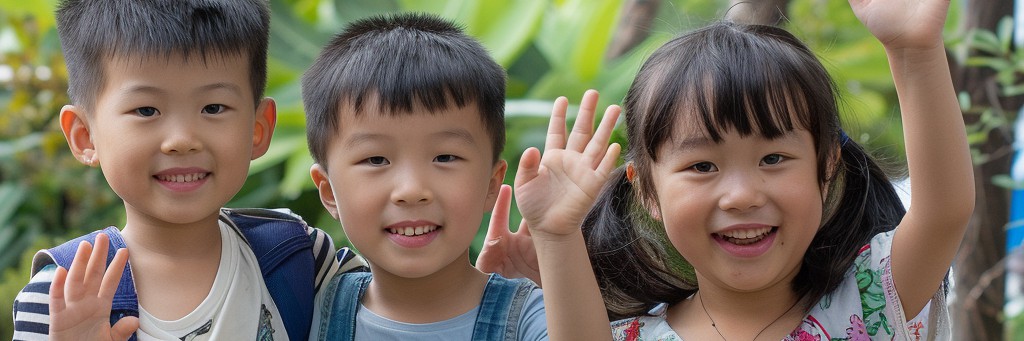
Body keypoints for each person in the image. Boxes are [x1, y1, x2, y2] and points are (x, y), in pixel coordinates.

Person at [495, 0, 972, 339]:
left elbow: (943, 210)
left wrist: (914, 51)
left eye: (773, 159)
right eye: (702, 165)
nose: (742, 195)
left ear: (826, 170)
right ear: (648, 195)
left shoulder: (871, 303)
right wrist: (557, 238)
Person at [10, 1, 362, 340]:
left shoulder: (299, 259)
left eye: (213, 107)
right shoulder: (58, 299)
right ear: (85, 135)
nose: (182, 140)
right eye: (146, 110)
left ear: (258, 129)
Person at [301, 13, 550, 340]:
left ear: (491, 184)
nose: (412, 190)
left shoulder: (531, 318)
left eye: (445, 157)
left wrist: (560, 239)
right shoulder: (303, 308)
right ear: (329, 191)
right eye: (376, 159)